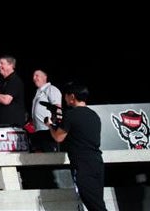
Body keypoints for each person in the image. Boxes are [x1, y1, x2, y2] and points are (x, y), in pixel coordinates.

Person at [47, 82, 107, 211]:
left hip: (82, 165)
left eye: (66, 96)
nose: (65, 99)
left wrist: (50, 125)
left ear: (72, 96)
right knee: (97, 201)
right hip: (97, 162)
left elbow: (58, 137)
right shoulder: (94, 115)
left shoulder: (71, 115)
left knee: (95, 205)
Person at [0, 55, 25, 126]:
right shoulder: (3, 81)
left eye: (2, 63)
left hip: (13, 126)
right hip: (3, 123)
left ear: (10, 65)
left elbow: (6, 100)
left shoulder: (14, 80)